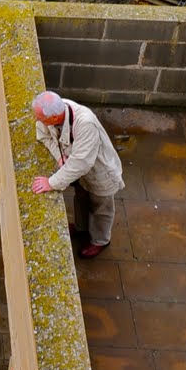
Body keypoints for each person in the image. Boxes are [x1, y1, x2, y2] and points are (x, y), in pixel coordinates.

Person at [30, 90, 124, 258]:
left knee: (101, 208)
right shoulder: (55, 111)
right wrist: (60, 158)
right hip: (81, 172)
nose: (37, 119)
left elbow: (81, 163)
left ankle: (100, 240)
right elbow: (44, 137)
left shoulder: (85, 123)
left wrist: (51, 183)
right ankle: (81, 228)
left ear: (54, 118)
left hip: (100, 173)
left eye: (40, 117)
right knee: (81, 198)